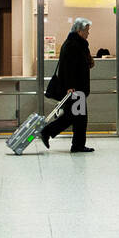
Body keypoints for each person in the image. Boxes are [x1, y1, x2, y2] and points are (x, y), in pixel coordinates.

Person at [40, 17, 95, 153]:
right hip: (75, 88)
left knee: (79, 117)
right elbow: (68, 68)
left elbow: (82, 64)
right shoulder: (72, 44)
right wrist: (70, 86)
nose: (88, 33)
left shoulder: (80, 44)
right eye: (87, 30)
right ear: (79, 31)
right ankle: (47, 131)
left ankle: (77, 145)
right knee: (74, 116)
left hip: (79, 88)